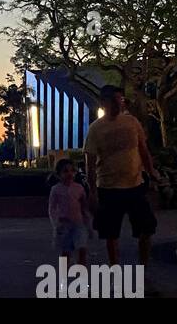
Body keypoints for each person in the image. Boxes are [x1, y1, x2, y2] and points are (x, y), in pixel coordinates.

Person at [84, 85, 159, 267]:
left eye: (120, 99)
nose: (118, 103)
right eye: (114, 100)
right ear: (104, 102)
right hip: (109, 188)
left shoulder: (132, 122)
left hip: (135, 184)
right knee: (111, 234)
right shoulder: (96, 129)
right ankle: (115, 271)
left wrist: (151, 172)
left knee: (147, 228)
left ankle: (144, 269)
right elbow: (90, 163)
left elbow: (142, 149)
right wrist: (92, 191)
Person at [48, 159, 91, 266]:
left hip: (78, 224)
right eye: (65, 171)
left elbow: (84, 207)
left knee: (82, 249)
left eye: (72, 171)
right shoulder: (56, 189)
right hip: (64, 225)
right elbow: (52, 208)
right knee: (66, 252)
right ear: (59, 174)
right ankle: (64, 279)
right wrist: (55, 223)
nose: (69, 174)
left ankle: (82, 275)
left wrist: (88, 225)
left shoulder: (79, 188)